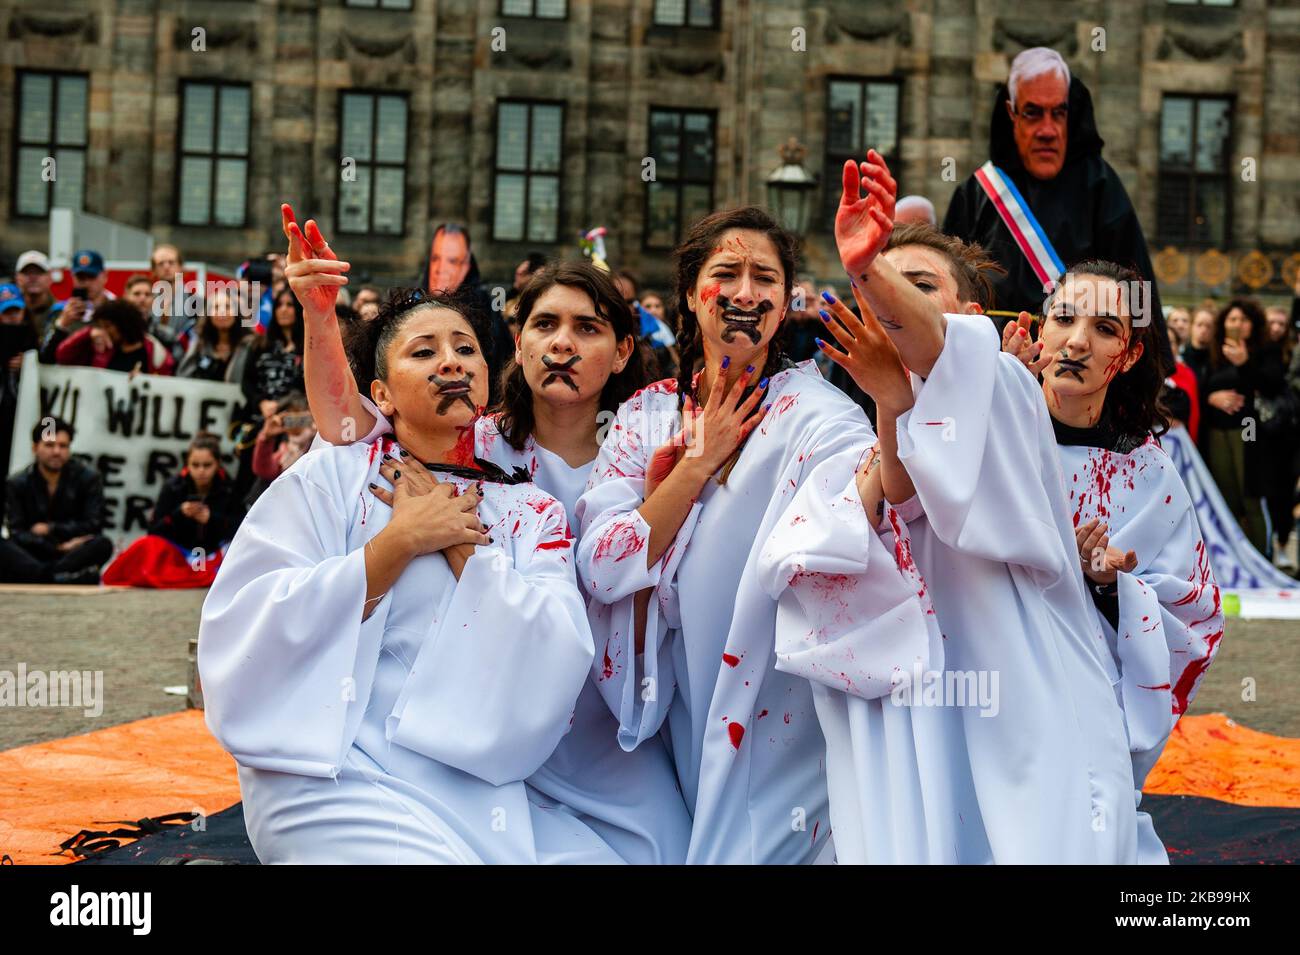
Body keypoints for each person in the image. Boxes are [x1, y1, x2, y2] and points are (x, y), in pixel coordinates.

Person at [289, 205, 692, 864]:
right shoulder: (464, 438)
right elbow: (343, 426)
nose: (562, 343)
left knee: (666, 849)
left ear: (622, 351)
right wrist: (316, 315)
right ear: (519, 340)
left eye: (586, 328)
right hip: (480, 709)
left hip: (604, 723)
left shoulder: (655, 453)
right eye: (544, 324)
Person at [200, 285, 626, 864]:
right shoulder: (337, 476)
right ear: (381, 394)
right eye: (423, 352)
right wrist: (397, 544)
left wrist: (461, 547)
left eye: (466, 349)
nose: (451, 361)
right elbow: (247, 618)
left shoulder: (529, 510)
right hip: (329, 769)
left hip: (469, 781)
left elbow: (556, 648)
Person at [577, 205, 935, 864]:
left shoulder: (819, 413)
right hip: (674, 707)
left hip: (781, 711)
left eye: (764, 277)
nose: (746, 293)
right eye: (727, 273)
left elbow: (872, 502)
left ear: (783, 298)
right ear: (690, 293)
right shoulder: (645, 414)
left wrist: (893, 404)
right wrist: (693, 468)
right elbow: (601, 566)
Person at [808, 153, 1137, 863]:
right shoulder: (847, 437)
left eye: (917, 288)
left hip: (1022, 700)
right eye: (877, 292)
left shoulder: (1006, 389)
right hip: (919, 715)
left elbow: (933, 366)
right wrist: (893, 406)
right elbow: (862, 521)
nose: (887, 307)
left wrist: (869, 264)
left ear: (966, 317)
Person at [1002, 260, 1224, 863]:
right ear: (1039, 329)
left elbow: (1196, 613)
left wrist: (1113, 589)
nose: (1077, 341)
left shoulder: (1148, 474)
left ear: (1125, 356)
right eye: (1065, 318)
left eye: (1104, 328)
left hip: (1086, 713)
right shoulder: (989, 434)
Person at [942, 48, 1168, 359]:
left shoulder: (1100, 185)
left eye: (1058, 113)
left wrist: (1149, 369)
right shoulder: (976, 193)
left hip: (1080, 373)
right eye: (1033, 113)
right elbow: (946, 293)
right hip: (992, 372)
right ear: (1011, 113)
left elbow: (1136, 284)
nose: (1048, 131)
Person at [102, 433, 244, 588]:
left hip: (214, 553)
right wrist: (179, 514)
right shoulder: (173, 487)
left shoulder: (230, 489)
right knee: (147, 545)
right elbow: (154, 530)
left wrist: (211, 519)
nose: (201, 471)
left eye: (207, 465)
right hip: (181, 555)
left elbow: (242, 529)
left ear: (217, 464)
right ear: (187, 464)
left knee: (238, 550)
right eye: (195, 465)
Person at [1198, 298, 1279, 553]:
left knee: (1251, 494)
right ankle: (1234, 557)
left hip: (1247, 426)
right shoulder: (1215, 352)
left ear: (1253, 325)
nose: (1238, 324)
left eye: (1243, 320)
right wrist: (1211, 398)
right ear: (1224, 323)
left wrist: (1244, 362)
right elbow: (1202, 388)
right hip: (1217, 430)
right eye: (1232, 319)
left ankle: (1261, 556)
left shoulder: (1265, 351)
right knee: (1226, 496)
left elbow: (1271, 386)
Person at [0, 419, 112, 585]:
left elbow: (93, 523)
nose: (57, 452)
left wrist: (52, 529)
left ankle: (44, 576)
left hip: (72, 551)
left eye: (63, 446)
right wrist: (54, 547)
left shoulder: (88, 478)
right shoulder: (17, 483)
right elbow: (17, 531)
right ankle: (58, 577)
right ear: (35, 448)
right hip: (33, 551)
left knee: (102, 544)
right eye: (50, 445)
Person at [47, 299, 176, 375]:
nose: (104, 331)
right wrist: (87, 333)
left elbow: (165, 380)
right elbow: (62, 355)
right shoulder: (100, 347)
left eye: (108, 326)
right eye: (100, 326)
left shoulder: (154, 352)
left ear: (123, 325)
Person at [1, 284, 40, 507]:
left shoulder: (33, 342)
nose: (12, 318)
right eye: (6, 313)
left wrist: (31, 366)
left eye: (16, 311)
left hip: (26, 428)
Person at [41, 249, 115, 355]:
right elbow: (45, 356)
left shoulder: (118, 309)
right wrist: (62, 324)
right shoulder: (60, 310)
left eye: (91, 277)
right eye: (81, 278)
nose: (86, 283)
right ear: (73, 278)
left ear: (104, 276)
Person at [176, 285, 255, 382]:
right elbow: (183, 377)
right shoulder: (199, 345)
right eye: (216, 308)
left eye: (227, 307)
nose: (222, 312)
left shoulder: (250, 346)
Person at [14, 251, 57, 337]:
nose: (33, 277)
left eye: (39, 272)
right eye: (27, 272)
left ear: (50, 277)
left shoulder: (61, 313)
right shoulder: (7, 313)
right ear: (17, 278)